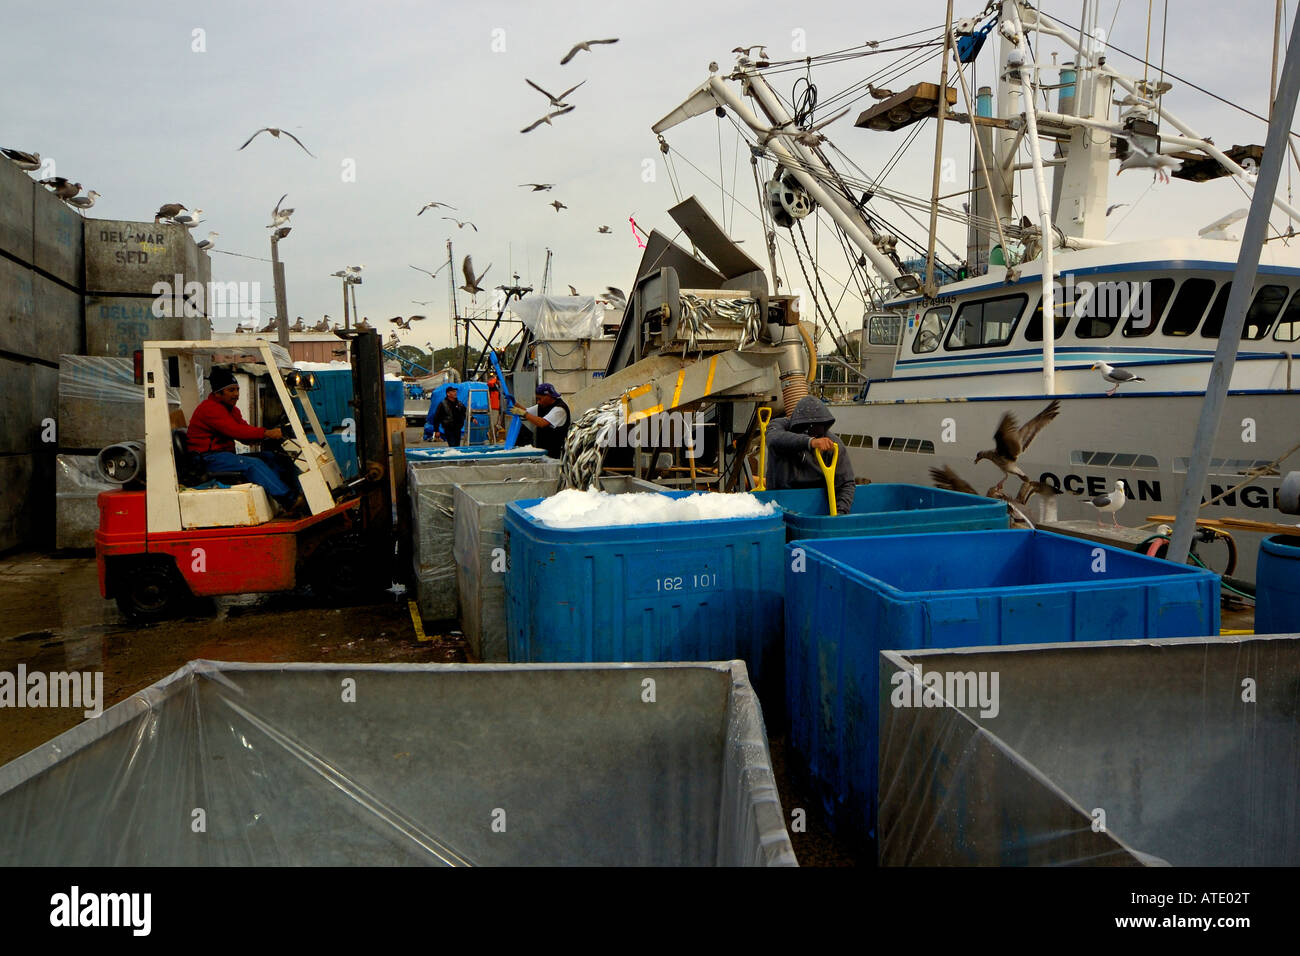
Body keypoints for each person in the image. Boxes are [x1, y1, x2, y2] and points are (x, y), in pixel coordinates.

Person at [185, 367, 304, 513]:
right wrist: (266, 432)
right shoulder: (210, 409)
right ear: (218, 393)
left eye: (237, 389)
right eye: (231, 390)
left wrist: (265, 436)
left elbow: (244, 433)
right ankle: (290, 501)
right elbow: (237, 431)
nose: (236, 394)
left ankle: (304, 493)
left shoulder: (231, 410)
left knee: (273, 457)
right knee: (253, 464)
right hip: (208, 459)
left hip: (224, 456)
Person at [765, 396, 856, 514]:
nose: (812, 432)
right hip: (779, 504)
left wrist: (840, 513)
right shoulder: (779, 425)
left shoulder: (833, 445)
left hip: (814, 507)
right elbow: (773, 439)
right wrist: (810, 442)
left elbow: (845, 484)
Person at [511, 383, 570, 459]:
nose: (538, 402)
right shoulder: (542, 406)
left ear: (548, 396)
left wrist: (523, 413)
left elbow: (542, 423)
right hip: (544, 453)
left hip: (556, 455)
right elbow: (526, 411)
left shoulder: (560, 409)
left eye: (540, 399)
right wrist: (515, 403)